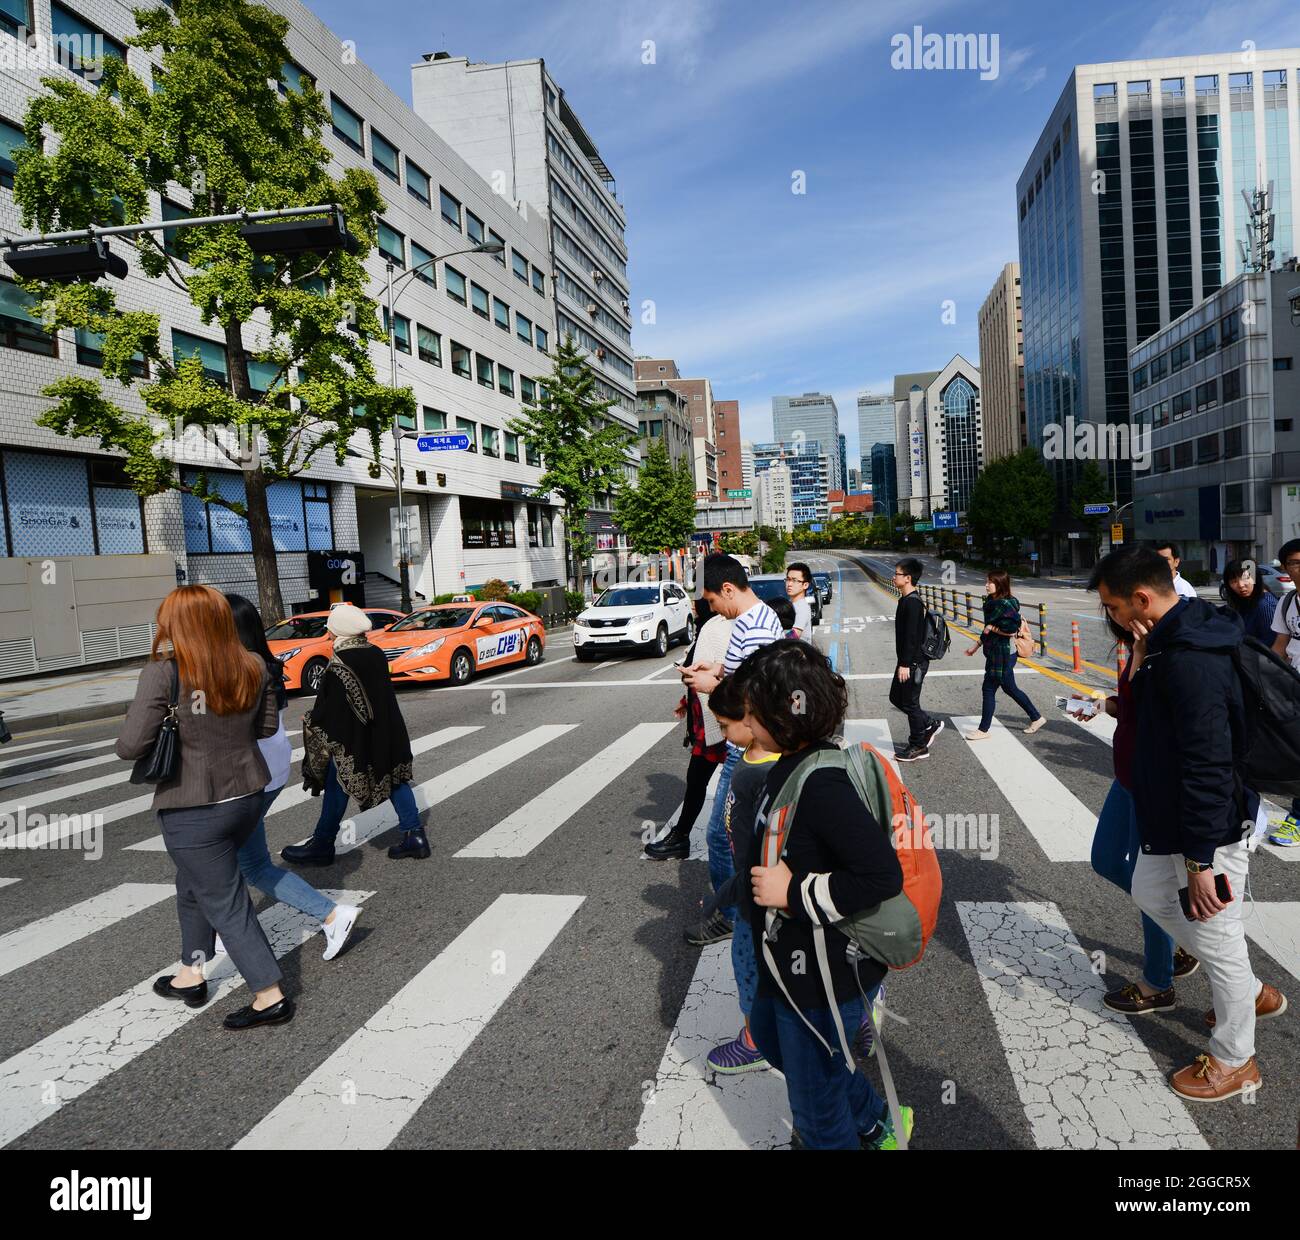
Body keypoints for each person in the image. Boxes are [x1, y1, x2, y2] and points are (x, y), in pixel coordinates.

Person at [1093, 547, 1286, 1102]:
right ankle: (1250, 992)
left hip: (1209, 828)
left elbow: (1206, 763)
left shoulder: (1190, 659)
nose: (1110, 616)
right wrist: (1143, 651)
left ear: (1141, 599)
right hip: (1172, 819)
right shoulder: (1168, 640)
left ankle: (1235, 1059)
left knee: (1219, 936)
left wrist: (1201, 861)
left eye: (1112, 605)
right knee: (1149, 890)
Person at [733, 640, 912, 1149]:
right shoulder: (786, 765)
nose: (745, 720)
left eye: (752, 711)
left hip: (819, 976)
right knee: (775, 1042)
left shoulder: (822, 783)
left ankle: (846, 1133)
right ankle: (877, 1122)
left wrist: (795, 890)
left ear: (780, 716)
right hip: (784, 960)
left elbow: (881, 876)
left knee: (814, 1113)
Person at [116, 585, 291, 1030]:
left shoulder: (164, 673)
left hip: (193, 808)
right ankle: (191, 973)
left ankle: (269, 995)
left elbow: (130, 745)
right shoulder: (252, 665)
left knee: (224, 899)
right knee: (193, 884)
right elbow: (267, 726)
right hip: (248, 795)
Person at [225, 594, 360, 959]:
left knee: (230, 864)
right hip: (270, 768)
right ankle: (222, 930)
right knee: (239, 862)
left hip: (247, 775)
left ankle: (224, 934)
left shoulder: (238, 669)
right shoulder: (264, 663)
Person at [1078, 606, 1198, 1015]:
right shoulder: (1137, 648)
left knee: (1149, 885)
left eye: (1114, 603)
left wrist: (1144, 653)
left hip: (1151, 784)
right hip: (1126, 776)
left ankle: (1158, 981)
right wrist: (1102, 705)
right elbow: (1132, 709)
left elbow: (1165, 716)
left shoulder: (1167, 652)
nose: (1110, 613)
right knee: (1107, 861)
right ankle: (1180, 933)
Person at [680, 554, 784, 945]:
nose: (711, 609)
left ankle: (732, 916)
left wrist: (711, 687)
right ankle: (746, 907)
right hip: (751, 743)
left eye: (710, 600)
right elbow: (748, 672)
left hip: (749, 745)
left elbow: (750, 698)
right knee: (736, 833)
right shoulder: (756, 620)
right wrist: (717, 670)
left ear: (727, 589)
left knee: (720, 836)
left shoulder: (752, 625)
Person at [282, 604, 425, 865]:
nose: (329, 633)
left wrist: (312, 719)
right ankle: (414, 834)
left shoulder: (340, 662)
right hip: (386, 730)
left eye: (331, 628)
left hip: (354, 738)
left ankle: (322, 845)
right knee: (393, 777)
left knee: (337, 786)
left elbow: (333, 708)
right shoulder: (376, 652)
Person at [702, 673, 780, 1074]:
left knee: (748, 967)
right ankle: (861, 1011)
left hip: (759, 897)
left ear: (750, 718)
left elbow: (759, 850)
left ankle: (755, 1041)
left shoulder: (767, 770)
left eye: (723, 726)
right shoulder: (751, 757)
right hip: (754, 888)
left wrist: (726, 895)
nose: (722, 734)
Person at [645, 598, 733, 860]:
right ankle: (682, 836)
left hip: (721, 720)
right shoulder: (709, 627)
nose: (693, 608)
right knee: (697, 779)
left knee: (721, 782)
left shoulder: (717, 629)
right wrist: (686, 700)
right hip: (707, 717)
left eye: (699, 601)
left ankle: (694, 837)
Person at [963, 569, 1044, 739]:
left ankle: (983, 730)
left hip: (1004, 653)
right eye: (986, 581)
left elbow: (1011, 628)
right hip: (995, 652)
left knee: (989, 688)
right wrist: (976, 645)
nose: (986, 585)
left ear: (1000, 584)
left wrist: (992, 628)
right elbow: (989, 630)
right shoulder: (992, 601)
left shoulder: (1006, 604)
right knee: (1009, 688)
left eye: (990, 582)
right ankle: (1036, 717)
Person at [890, 557, 942, 762]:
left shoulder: (912, 602)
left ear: (908, 578)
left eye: (897, 574)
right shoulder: (905, 599)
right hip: (906, 660)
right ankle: (929, 723)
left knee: (910, 703)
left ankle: (919, 745)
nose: (894, 577)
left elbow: (912, 637)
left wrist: (905, 664)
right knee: (896, 697)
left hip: (913, 662)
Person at [1268, 538, 1300, 846]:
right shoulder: (1288, 602)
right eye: (1295, 563)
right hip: (1294, 689)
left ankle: (1297, 818)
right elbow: (1279, 646)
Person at [1220, 559, 1278, 647]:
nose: (1240, 585)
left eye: (1245, 578)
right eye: (1234, 581)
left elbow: (1271, 642)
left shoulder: (1265, 605)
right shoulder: (1240, 601)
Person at [785, 562, 815, 640]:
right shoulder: (791, 604)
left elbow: (794, 635)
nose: (789, 584)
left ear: (805, 585)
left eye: (794, 580)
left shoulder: (802, 607)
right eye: (788, 579)